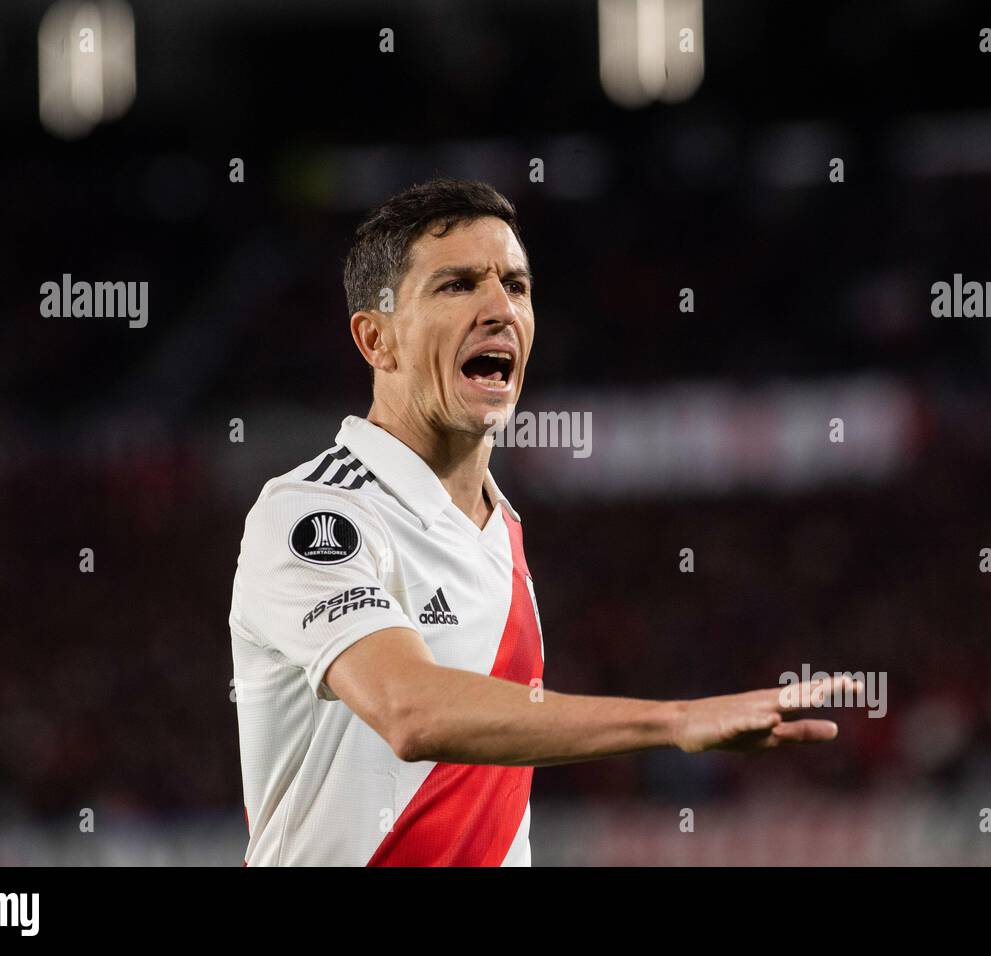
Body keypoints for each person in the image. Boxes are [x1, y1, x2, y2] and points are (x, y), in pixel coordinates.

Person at [229, 177, 857, 866]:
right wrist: (676, 720)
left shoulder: (502, 528)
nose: (499, 308)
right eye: (457, 285)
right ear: (377, 339)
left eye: (517, 286)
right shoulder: (315, 513)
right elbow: (412, 712)